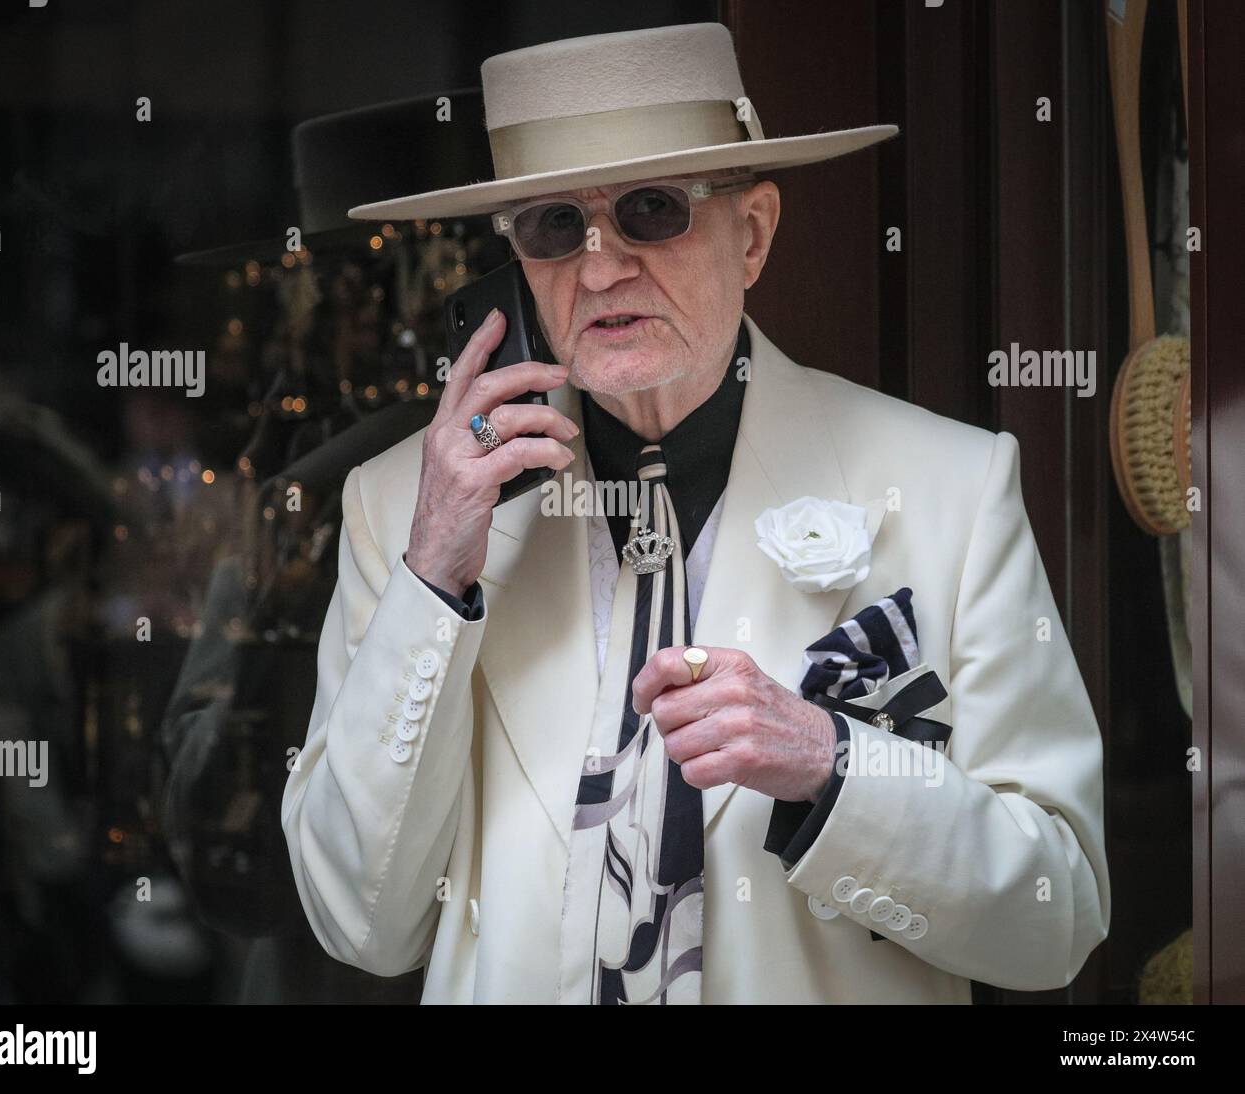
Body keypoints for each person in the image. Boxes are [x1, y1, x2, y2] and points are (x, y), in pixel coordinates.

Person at [281, 22, 1109, 1004]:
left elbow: (1056, 919)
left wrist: (835, 766)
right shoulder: (402, 508)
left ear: (751, 233)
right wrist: (433, 575)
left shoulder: (949, 488)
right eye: (553, 225)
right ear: (514, 257)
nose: (598, 271)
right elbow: (359, 923)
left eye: (649, 210)